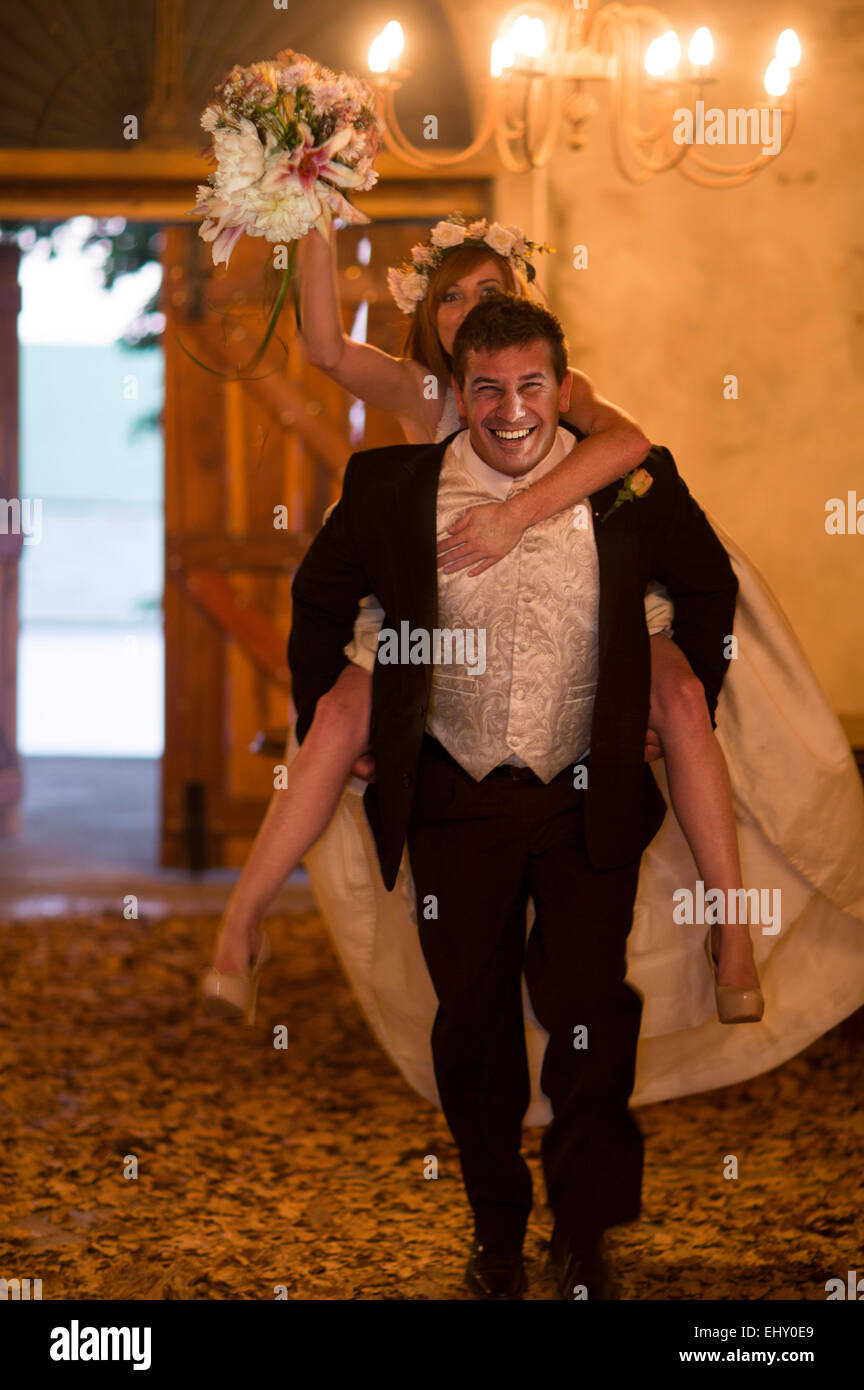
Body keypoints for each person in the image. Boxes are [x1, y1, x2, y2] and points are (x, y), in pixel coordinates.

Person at [287, 292, 740, 1298]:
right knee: (473, 1019)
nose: (509, 409)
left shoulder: (632, 486)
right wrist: (340, 719)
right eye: (486, 389)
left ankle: (585, 1230)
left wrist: (677, 703)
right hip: (456, 798)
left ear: (563, 390)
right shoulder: (390, 488)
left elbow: (708, 585)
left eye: (530, 385)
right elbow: (318, 597)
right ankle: (496, 1226)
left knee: (588, 1012)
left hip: (588, 795)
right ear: (459, 393)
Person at [202, 216, 762, 1015]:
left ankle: (732, 930)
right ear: (430, 317)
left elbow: (629, 446)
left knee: (675, 700)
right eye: (450, 297)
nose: (468, 309)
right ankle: (242, 921)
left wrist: (518, 515)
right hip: (444, 599)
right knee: (334, 716)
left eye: (488, 292)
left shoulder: (557, 384)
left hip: (582, 586)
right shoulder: (420, 389)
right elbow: (324, 348)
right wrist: (313, 205)